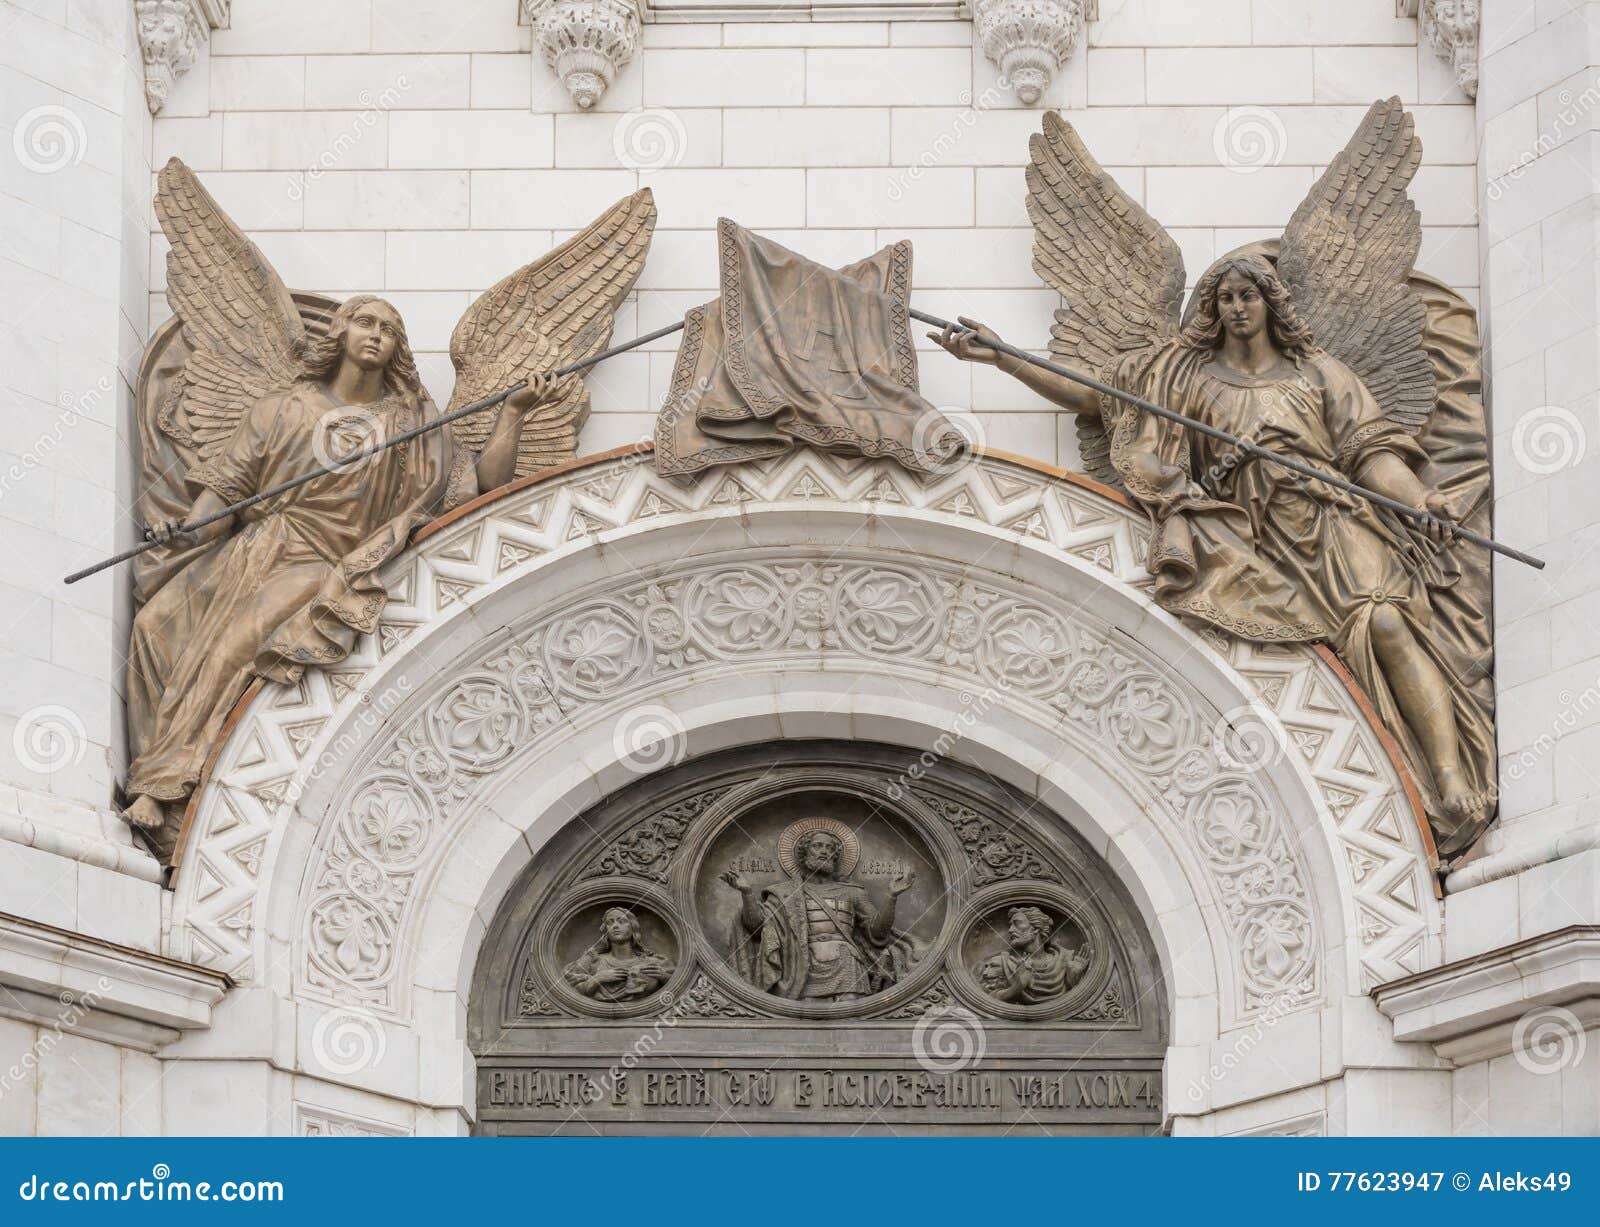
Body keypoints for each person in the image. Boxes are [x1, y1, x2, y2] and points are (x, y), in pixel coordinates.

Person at [931, 254, 1491, 835]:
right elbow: (1095, 395)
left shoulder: (1319, 372)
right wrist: (1006, 357)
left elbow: (1370, 455)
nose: (1238, 308)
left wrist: (1420, 499)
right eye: (1226, 298)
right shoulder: (1181, 375)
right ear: (1213, 308)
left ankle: (1449, 776)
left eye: (1249, 296)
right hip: (1244, 529)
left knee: (1387, 621)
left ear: (1271, 302)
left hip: (1330, 520)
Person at [124, 296, 564, 847]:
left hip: (322, 561)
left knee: (229, 652)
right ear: (339, 332)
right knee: (153, 628)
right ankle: (176, 780)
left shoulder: (412, 423)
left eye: (389, 329)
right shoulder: (281, 408)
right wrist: (183, 531)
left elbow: (484, 490)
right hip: (255, 549)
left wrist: (514, 413)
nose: (375, 334)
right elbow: (223, 498)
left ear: (398, 348)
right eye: (364, 322)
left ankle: (162, 788)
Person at [721, 827, 916, 1002]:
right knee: (804, 1018)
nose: (824, 851)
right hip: (803, 965)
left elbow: (878, 932)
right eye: (817, 846)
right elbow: (757, 928)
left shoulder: (853, 892)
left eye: (830, 848)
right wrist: (747, 893)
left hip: (846, 963)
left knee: (850, 1015)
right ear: (804, 853)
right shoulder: (784, 893)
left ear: (835, 856)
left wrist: (891, 897)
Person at [977, 906, 1089, 1004]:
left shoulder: (1065, 961)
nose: (1010, 930)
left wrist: (1072, 979)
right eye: (1010, 925)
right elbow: (986, 996)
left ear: (1036, 929)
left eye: (1017, 923)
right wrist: (1016, 988)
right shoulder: (1002, 962)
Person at [562, 907, 675, 1002]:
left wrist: (663, 977)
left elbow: (675, 984)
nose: (615, 926)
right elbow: (570, 987)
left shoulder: (652, 963)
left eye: (621, 921)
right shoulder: (592, 962)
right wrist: (597, 979)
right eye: (610, 922)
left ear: (633, 927)